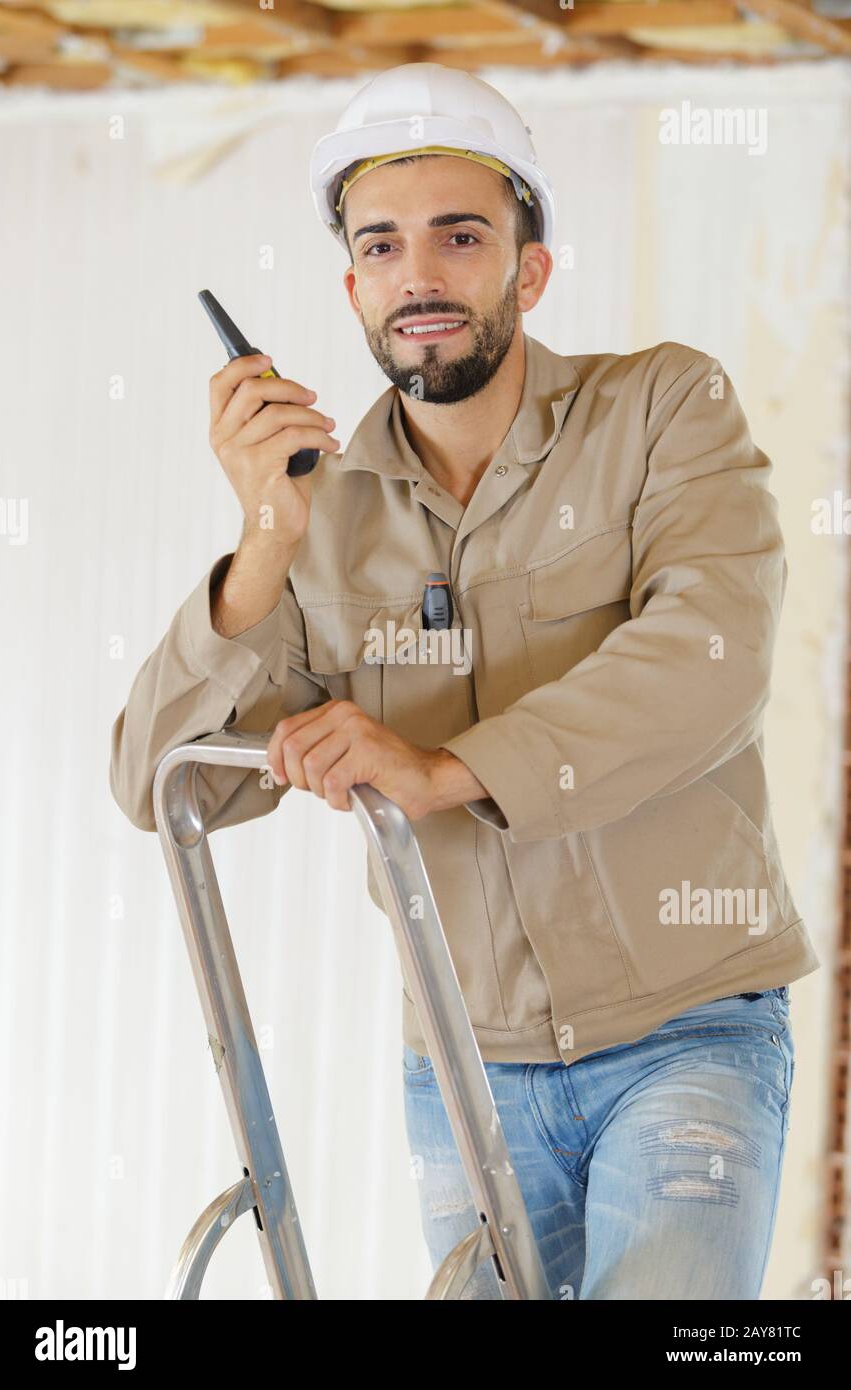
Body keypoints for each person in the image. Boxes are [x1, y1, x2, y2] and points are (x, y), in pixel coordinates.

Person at [110, 62, 819, 1300]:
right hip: (462, 1071)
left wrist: (445, 769)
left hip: (684, 1038)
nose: (418, 275)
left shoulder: (661, 407)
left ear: (526, 271)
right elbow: (158, 786)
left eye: (459, 237)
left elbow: (712, 657)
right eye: (381, 247)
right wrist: (265, 537)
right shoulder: (318, 517)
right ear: (351, 289)